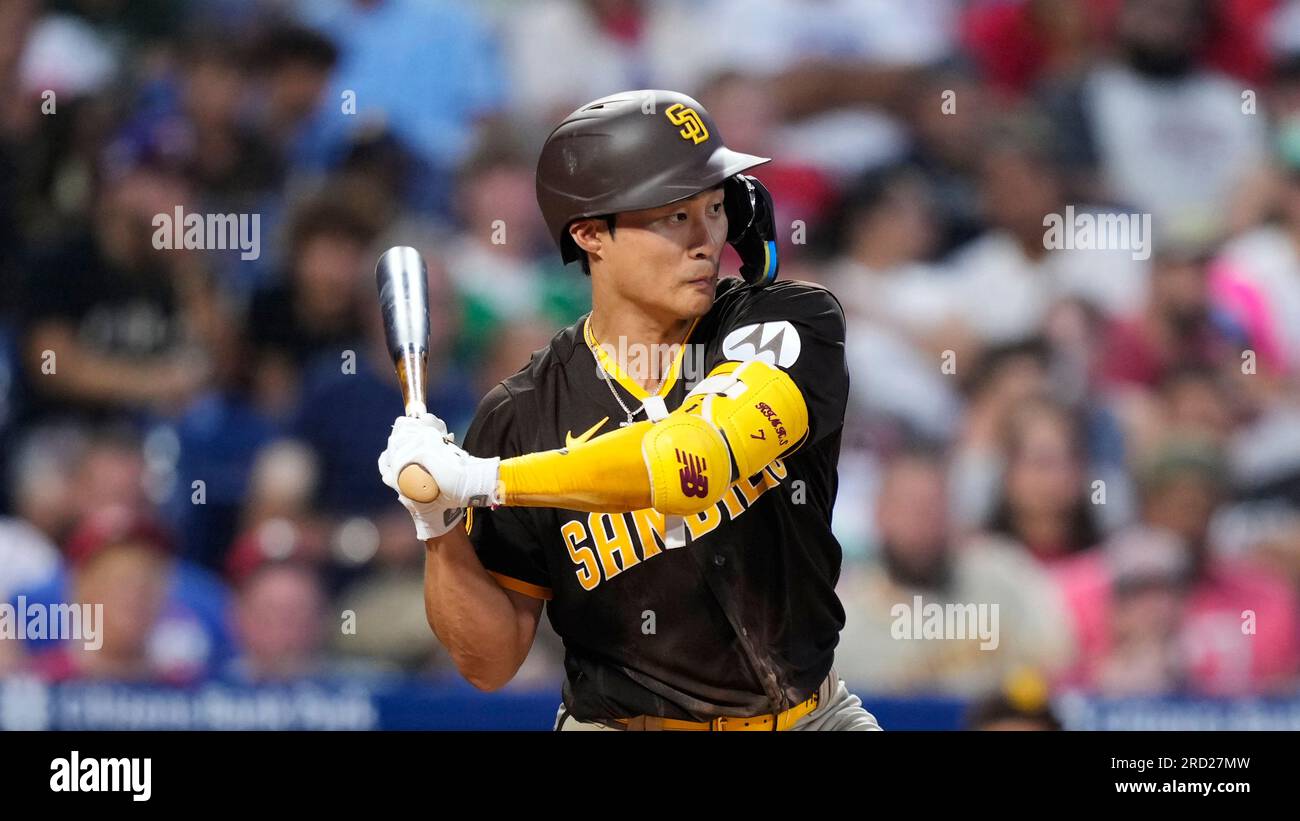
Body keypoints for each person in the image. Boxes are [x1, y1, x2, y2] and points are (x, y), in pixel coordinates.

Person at [377, 90, 880, 731]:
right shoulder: (521, 413)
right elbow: (490, 662)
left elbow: (691, 463)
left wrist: (482, 479)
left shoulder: (789, 320)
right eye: (674, 216)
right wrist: (436, 520)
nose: (707, 241)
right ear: (590, 233)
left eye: (716, 208)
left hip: (811, 719)